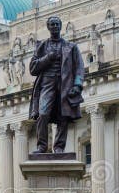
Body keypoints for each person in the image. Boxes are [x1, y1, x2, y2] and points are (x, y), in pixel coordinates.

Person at [28, 16, 85, 154]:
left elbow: (79, 68)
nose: (54, 26)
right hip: (47, 83)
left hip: (65, 83)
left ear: (60, 26)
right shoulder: (42, 46)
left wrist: (77, 85)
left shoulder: (71, 47)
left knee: (63, 116)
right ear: (48, 27)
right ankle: (42, 146)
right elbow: (33, 68)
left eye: (57, 24)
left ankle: (59, 147)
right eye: (52, 24)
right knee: (43, 114)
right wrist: (48, 58)